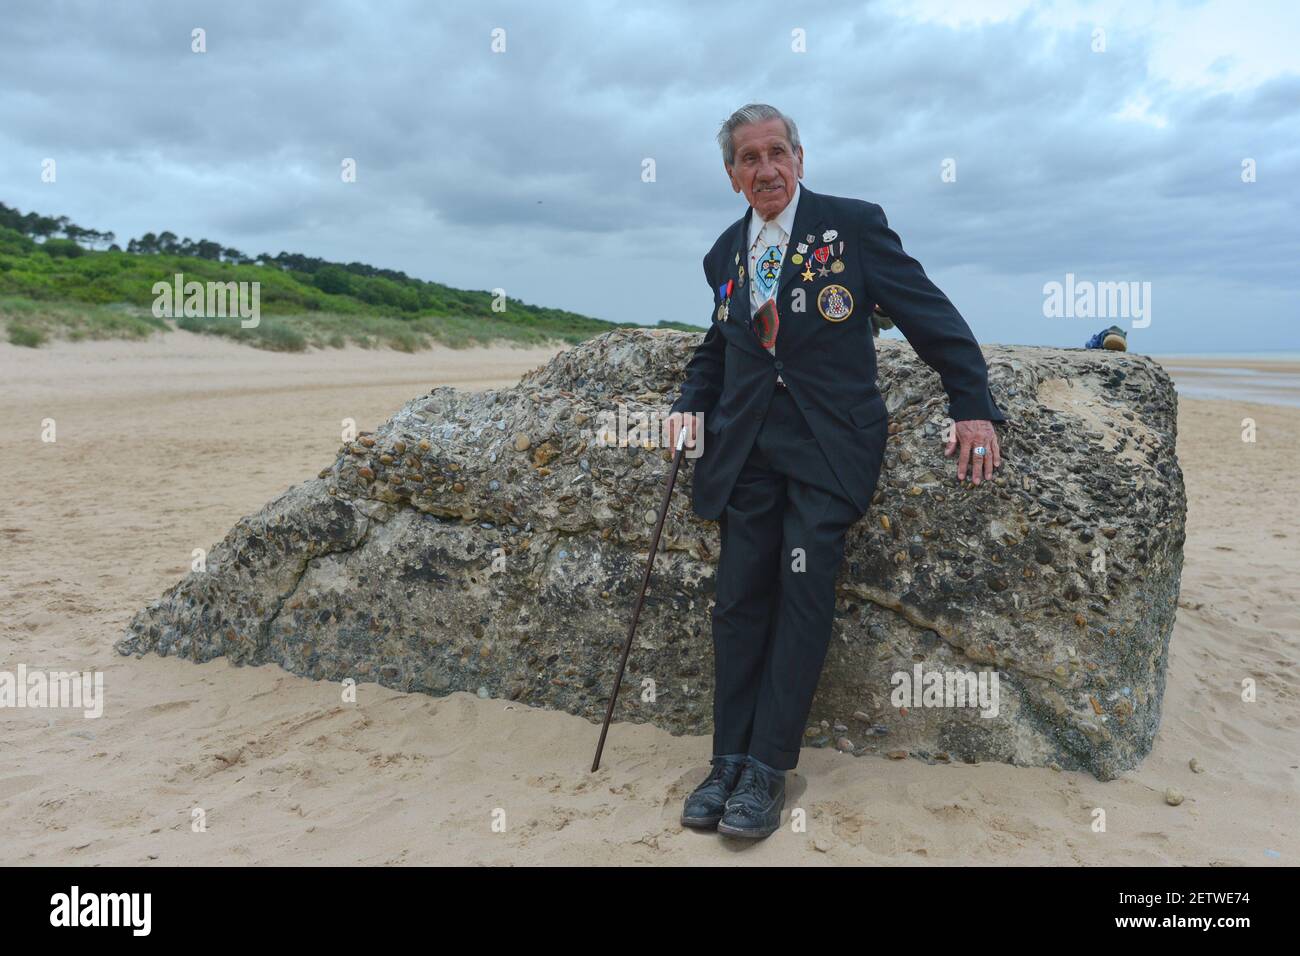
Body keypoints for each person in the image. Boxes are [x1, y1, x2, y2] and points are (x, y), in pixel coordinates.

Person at [664, 104, 1006, 840]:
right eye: (749, 159)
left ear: (800, 158)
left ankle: (766, 769)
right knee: (737, 601)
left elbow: (928, 314)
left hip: (829, 446)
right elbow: (723, 347)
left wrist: (972, 404)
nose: (766, 169)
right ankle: (725, 758)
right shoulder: (724, 251)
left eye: (777, 152)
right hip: (746, 450)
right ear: (732, 176)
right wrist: (690, 402)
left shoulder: (852, 226)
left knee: (803, 592)